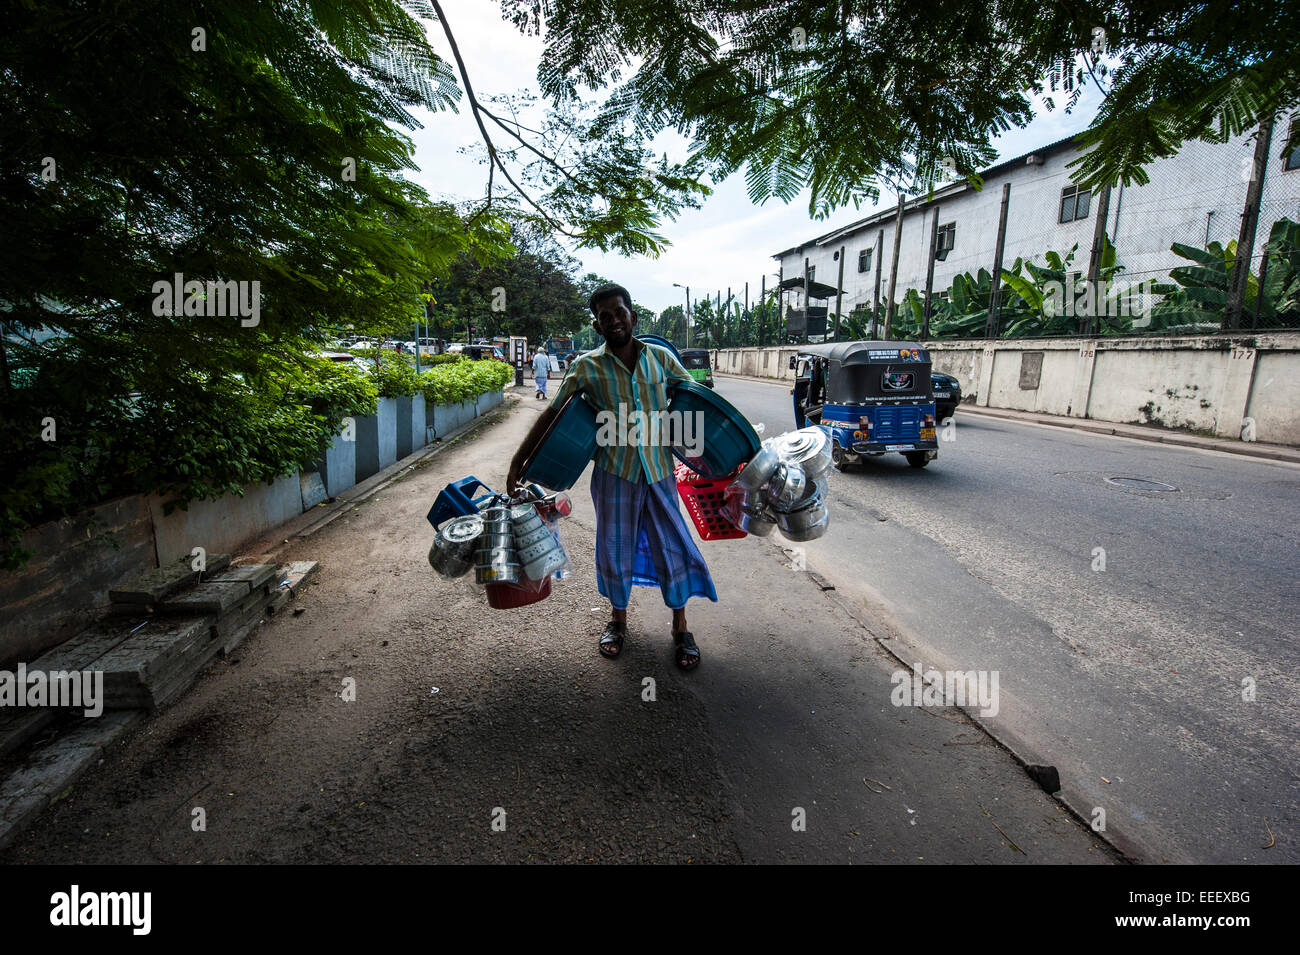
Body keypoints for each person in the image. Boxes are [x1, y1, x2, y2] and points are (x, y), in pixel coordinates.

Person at [507, 284, 715, 670]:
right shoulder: (586, 366)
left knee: (672, 548)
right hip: (614, 475)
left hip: (659, 474)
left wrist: (719, 453)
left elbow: (693, 398)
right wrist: (518, 463)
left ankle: (681, 628)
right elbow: (552, 416)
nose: (614, 320)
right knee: (615, 551)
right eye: (605, 316)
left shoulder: (661, 359)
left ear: (632, 315)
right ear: (597, 325)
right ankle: (618, 622)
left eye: (619, 312)